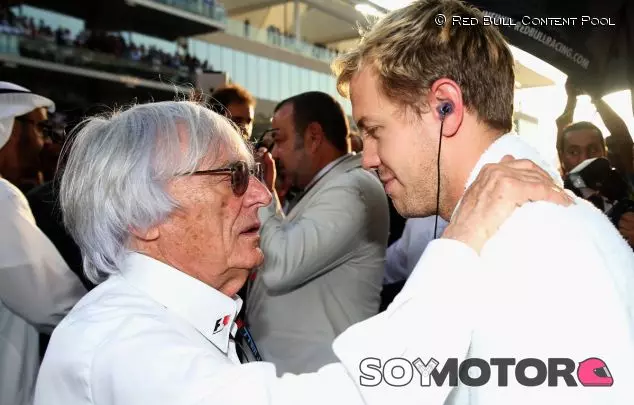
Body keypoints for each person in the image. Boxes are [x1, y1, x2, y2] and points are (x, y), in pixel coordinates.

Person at [34, 99, 570, 405]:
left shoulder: (167, 318)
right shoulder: (121, 340)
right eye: (235, 176)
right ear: (145, 214)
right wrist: (461, 246)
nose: (265, 196)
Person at [331, 0, 634, 403]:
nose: (366, 157)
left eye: (373, 130)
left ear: (446, 107)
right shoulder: (515, 233)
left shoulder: (532, 247)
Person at [247, 91, 389, 375]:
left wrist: (261, 190)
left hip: (318, 383)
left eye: (281, 139)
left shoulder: (354, 188)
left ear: (313, 136)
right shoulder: (328, 185)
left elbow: (279, 267)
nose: (274, 153)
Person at [0, 81, 86, 405]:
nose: (43, 142)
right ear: (7, 128)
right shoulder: (2, 198)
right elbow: (57, 304)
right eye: (39, 128)